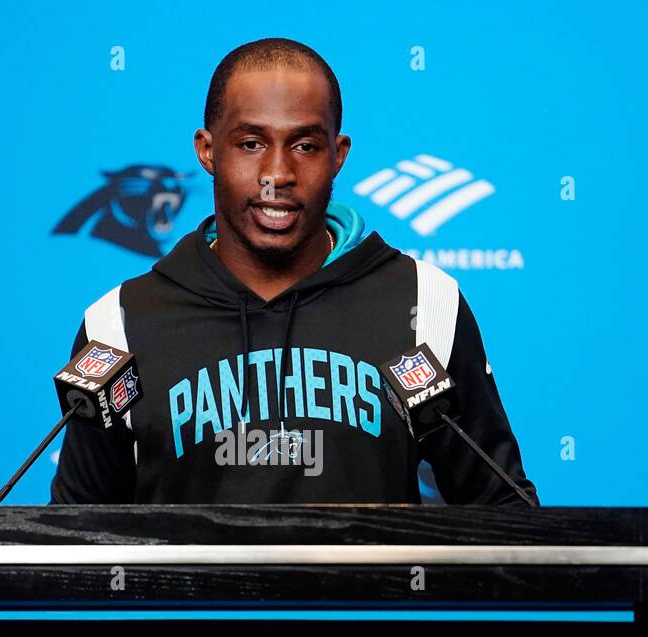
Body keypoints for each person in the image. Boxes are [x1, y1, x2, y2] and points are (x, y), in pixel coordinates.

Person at [51, 37, 539, 506]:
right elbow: (74, 542)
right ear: (207, 150)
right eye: (250, 143)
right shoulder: (120, 324)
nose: (277, 173)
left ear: (338, 155)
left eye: (304, 145)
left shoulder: (423, 304)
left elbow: (503, 514)